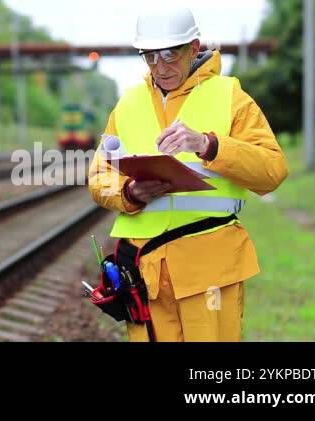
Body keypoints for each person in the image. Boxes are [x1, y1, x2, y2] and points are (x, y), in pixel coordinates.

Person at [88, 5, 289, 342]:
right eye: (149, 56)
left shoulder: (230, 97)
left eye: (169, 54)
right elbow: (98, 176)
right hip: (144, 272)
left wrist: (209, 145)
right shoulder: (128, 104)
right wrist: (130, 193)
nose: (160, 66)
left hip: (209, 269)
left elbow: (272, 170)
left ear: (193, 48)